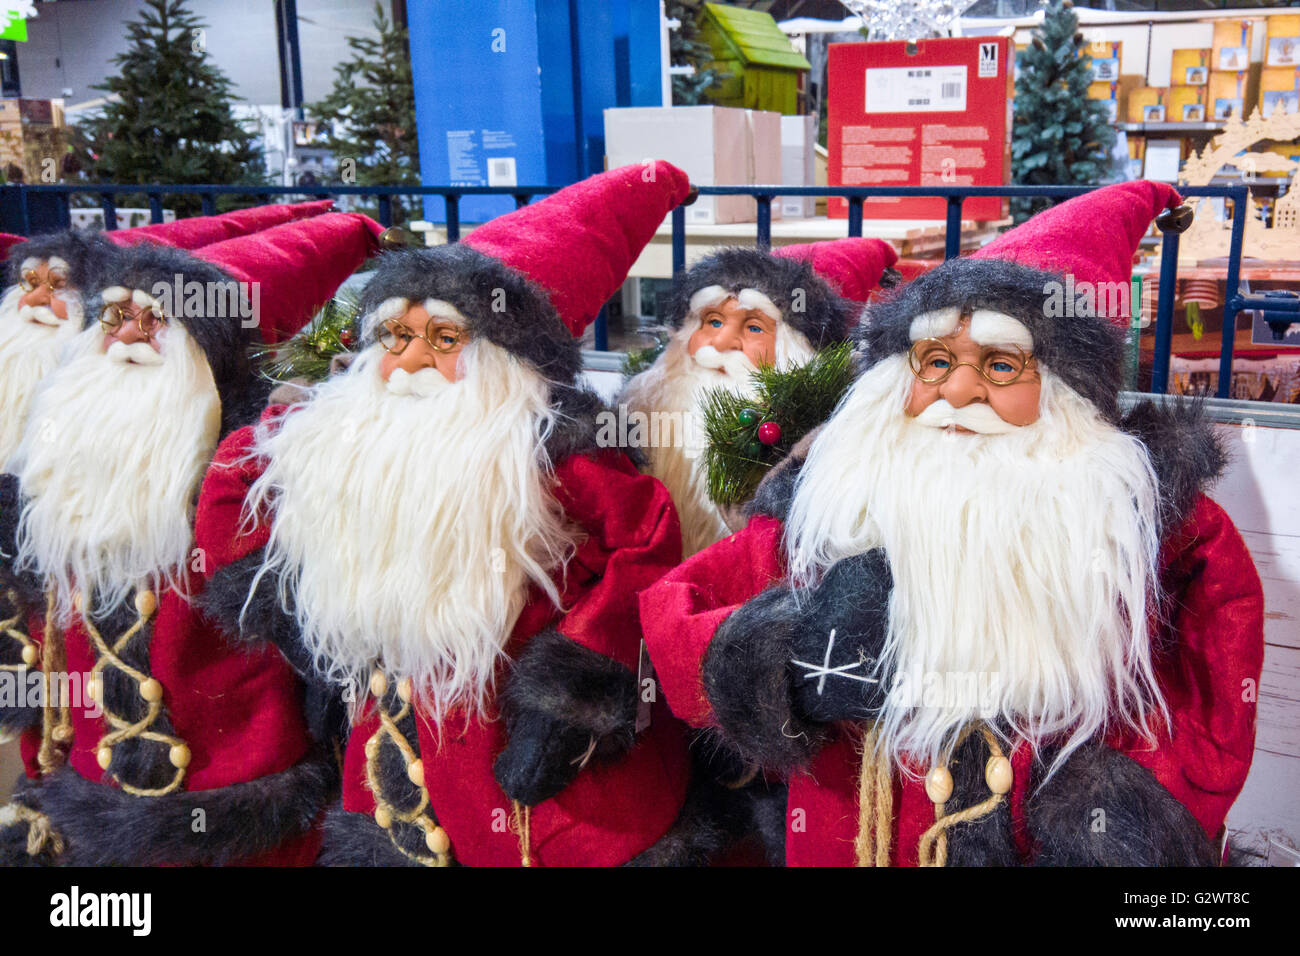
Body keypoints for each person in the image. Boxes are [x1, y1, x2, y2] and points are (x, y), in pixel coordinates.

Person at [639, 181, 1265, 866]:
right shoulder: (828, 505)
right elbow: (680, 609)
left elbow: (1216, 677)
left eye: (999, 364)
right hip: (856, 829)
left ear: (1062, 397)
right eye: (935, 362)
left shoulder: (1148, 522)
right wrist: (789, 654)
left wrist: (1130, 801)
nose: (959, 392)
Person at [198, 163, 713, 866]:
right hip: (396, 734)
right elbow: (239, 484)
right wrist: (275, 597)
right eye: (394, 337)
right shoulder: (341, 437)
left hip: (523, 752)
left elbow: (642, 551)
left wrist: (573, 698)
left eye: (443, 340)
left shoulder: (562, 457)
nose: (409, 360)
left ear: (505, 360)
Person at [0, 212, 382, 865]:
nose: (130, 336)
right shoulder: (55, 480)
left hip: (241, 792)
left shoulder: (242, 473)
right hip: (95, 787)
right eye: (115, 317)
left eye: (158, 320)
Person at [619, 238, 897, 557]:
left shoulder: (810, 435)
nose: (722, 342)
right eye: (713, 321)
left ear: (794, 350)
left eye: (753, 328)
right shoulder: (642, 406)